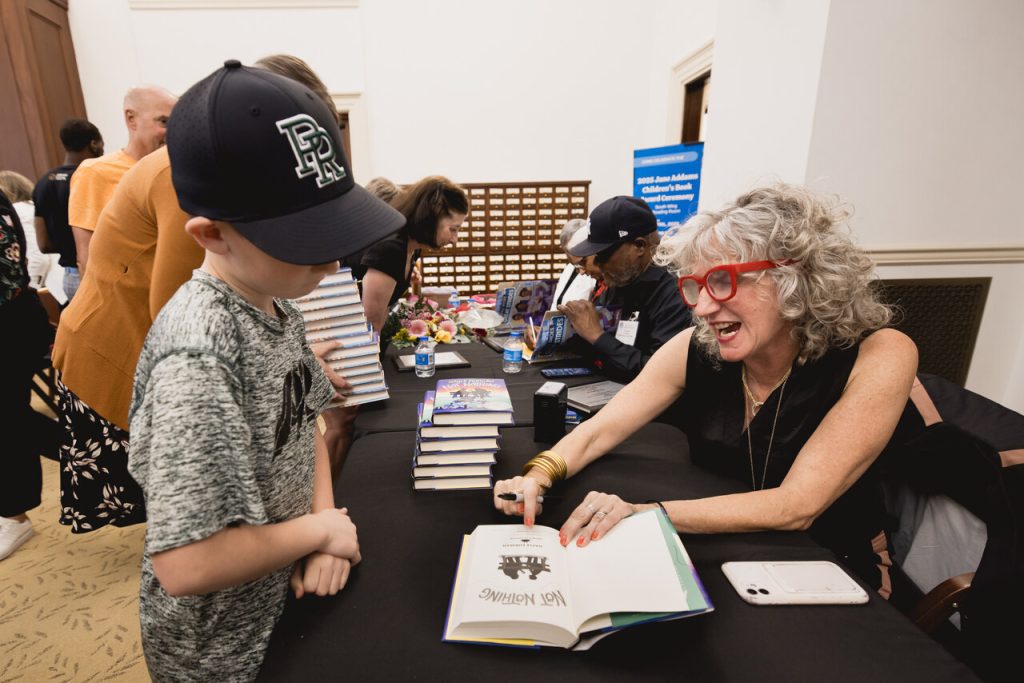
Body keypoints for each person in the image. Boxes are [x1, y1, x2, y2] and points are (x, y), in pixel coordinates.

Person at [494, 184, 918, 596]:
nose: (702, 307)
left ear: (796, 276)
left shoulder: (880, 354)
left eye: (723, 281)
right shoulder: (695, 348)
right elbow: (602, 429)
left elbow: (798, 505)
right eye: (695, 285)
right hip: (725, 552)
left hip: (830, 570)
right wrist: (538, 475)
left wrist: (643, 514)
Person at [128, 60, 404, 682]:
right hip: (218, 651)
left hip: (281, 596)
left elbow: (306, 421)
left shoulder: (275, 304)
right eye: (304, 240)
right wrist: (320, 528)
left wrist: (321, 531)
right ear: (211, 234)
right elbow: (188, 562)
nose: (333, 263)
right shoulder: (198, 353)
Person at [51, 55, 358, 533]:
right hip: (117, 343)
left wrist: (289, 353)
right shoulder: (191, 177)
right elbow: (171, 305)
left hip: (156, 338)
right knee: (186, 510)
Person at [559, 195, 691, 382]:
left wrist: (597, 336)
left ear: (639, 246)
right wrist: (557, 339)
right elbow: (596, 343)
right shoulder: (620, 280)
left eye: (603, 255)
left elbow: (662, 377)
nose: (598, 264)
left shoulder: (675, 292)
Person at [0, 188, 57, 560]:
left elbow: (6, 276)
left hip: (11, 324)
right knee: (11, 419)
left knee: (9, 421)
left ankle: (14, 515)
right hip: (14, 320)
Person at [68, 85, 177, 277]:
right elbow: (87, 255)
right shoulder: (95, 173)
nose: (172, 130)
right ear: (131, 118)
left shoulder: (177, 170)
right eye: (164, 121)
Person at [345, 176, 468, 333]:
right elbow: (371, 321)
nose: (455, 240)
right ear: (432, 218)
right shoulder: (391, 248)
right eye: (453, 229)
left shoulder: (412, 247)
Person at [33, 118, 104, 300]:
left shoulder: (44, 183)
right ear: (94, 144)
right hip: (100, 272)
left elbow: (44, 244)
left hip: (70, 277)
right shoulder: (95, 177)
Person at [0, 171, 62, 297]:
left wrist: (32, 287)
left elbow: (38, 256)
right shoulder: (34, 206)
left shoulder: (17, 212)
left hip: (50, 285)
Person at [551, 218, 598, 307]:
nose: (569, 254)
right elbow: (557, 302)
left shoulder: (593, 272)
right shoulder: (569, 268)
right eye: (566, 250)